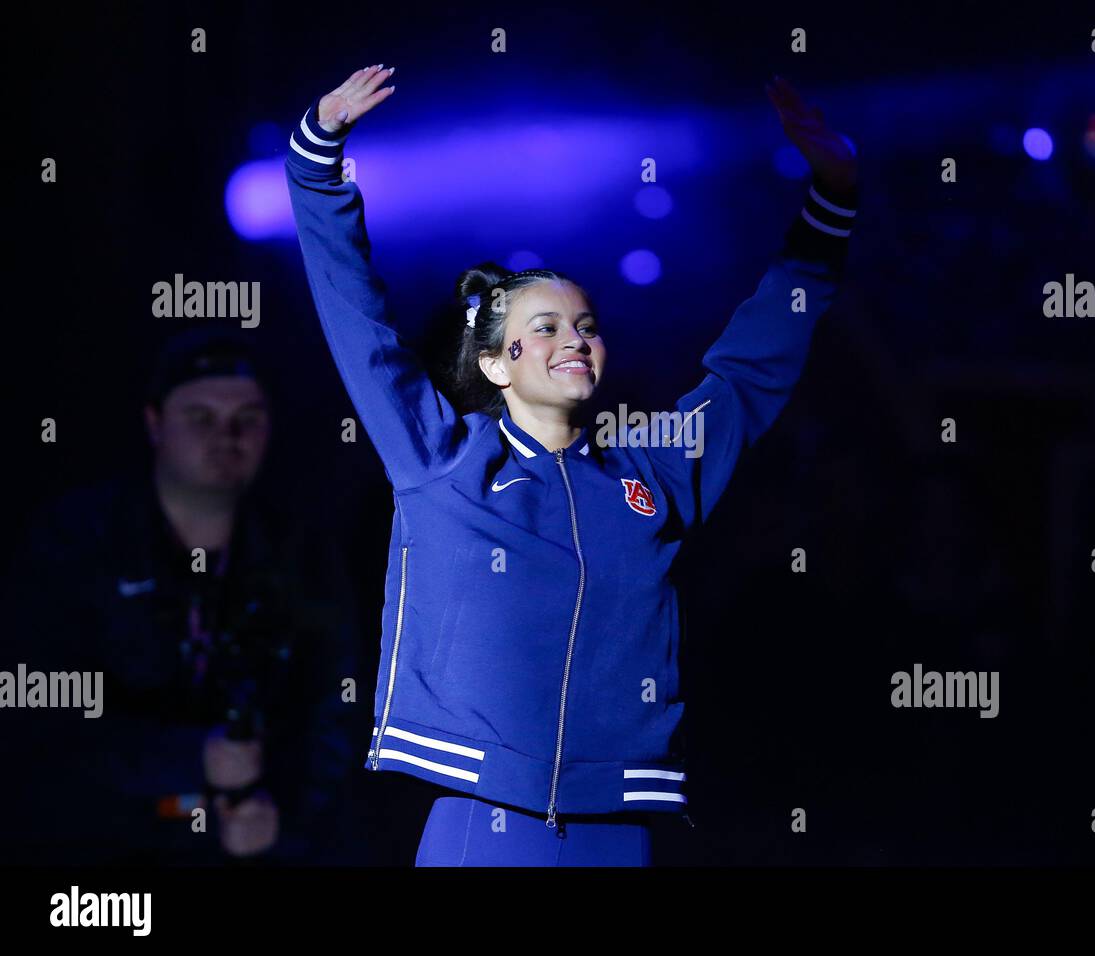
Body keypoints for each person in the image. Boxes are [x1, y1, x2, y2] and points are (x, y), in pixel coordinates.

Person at [285, 65, 858, 866]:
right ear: (494, 365)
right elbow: (359, 323)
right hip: (480, 821)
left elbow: (750, 372)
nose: (575, 339)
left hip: (619, 827)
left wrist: (829, 203)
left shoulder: (652, 476)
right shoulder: (441, 460)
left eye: (586, 325)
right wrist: (316, 167)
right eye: (545, 326)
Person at [0, 326, 361, 865]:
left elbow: (337, 712)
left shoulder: (303, 556)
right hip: (94, 851)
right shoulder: (73, 542)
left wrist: (282, 816)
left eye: (249, 416)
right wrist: (190, 759)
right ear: (155, 422)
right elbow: (32, 709)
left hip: (246, 845)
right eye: (201, 416)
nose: (228, 434)